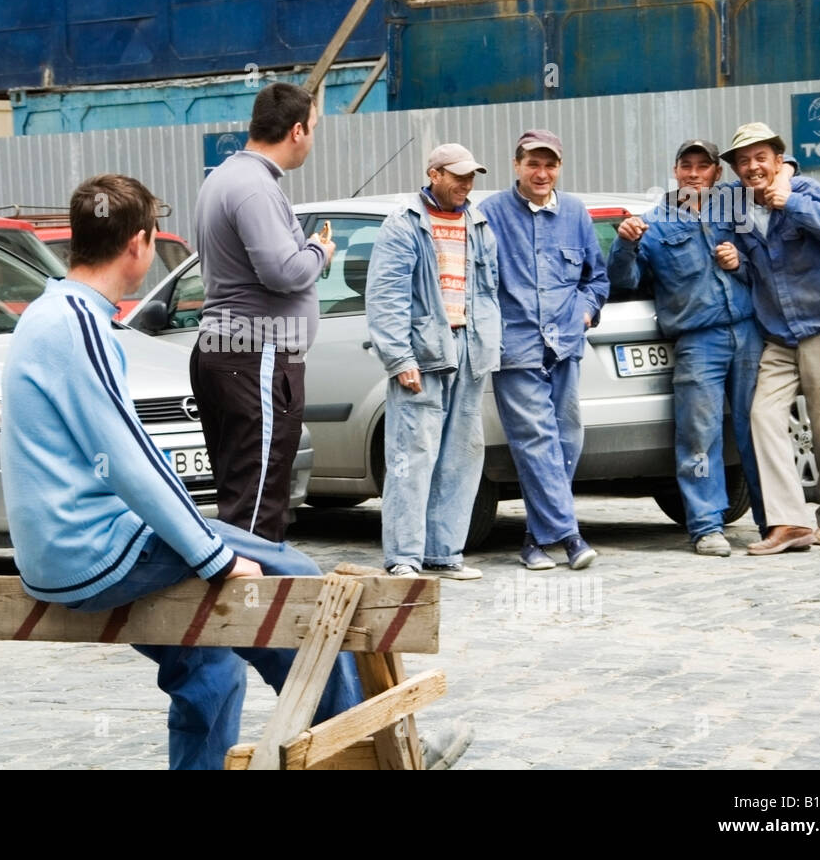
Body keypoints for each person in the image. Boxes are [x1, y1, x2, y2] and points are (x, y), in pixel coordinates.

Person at [1, 173, 361, 770]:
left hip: (62, 550)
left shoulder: (49, 313)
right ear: (140, 243)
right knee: (290, 577)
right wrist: (212, 555)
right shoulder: (77, 323)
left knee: (208, 663)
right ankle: (358, 748)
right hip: (92, 550)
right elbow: (127, 459)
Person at [607, 139, 773, 556]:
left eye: (704, 166)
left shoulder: (735, 214)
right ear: (676, 171)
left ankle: (774, 520)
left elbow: (767, 267)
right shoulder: (652, 223)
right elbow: (623, 281)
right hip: (698, 340)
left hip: (748, 332)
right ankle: (706, 526)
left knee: (760, 429)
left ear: (717, 173)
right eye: (687, 166)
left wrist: (742, 262)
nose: (695, 173)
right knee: (699, 433)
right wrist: (624, 243)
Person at [189, 82, 336, 542]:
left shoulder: (225, 178)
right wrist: (320, 250)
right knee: (258, 503)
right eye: (312, 129)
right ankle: (251, 605)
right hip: (257, 356)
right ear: (296, 131)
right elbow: (283, 273)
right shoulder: (255, 188)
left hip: (234, 353)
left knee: (244, 496)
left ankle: (239, 601)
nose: (312, 139)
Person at [717, 122, 820, 555]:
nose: (751, 166)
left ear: (778, 160)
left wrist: (794, 203)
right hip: (779, 333)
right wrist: (734, 261)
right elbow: (758, 273)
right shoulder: (739, 210)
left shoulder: (807, 190)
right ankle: (790, 522)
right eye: (743, 161)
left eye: (760, 157)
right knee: (763, 415)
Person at [365, 143, 500, 581]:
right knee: (411, 454)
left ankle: (445, 553)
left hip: (469, 349)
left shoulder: (478, 224)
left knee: (462, 455)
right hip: (424, 353)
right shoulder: (404, 225)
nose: (465, 184)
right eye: (457, 176)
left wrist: (488, 345)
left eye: (470, 177)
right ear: (434, 174)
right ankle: (404, 556)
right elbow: (386, 299)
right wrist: (399, 358)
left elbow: (489, 291)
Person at [478, 130, 609, 571]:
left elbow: (597, 279)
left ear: (559, 168)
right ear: (516, 166)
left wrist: (586, 313)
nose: (542, 172)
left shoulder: (574, 212)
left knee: (568, 438)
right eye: (533, 163)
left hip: (566, 345)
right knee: (536, 441)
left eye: (550, 164)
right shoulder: (490, 213)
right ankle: (571, 537)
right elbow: (479, 282)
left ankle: (536, 538)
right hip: (516, 348)